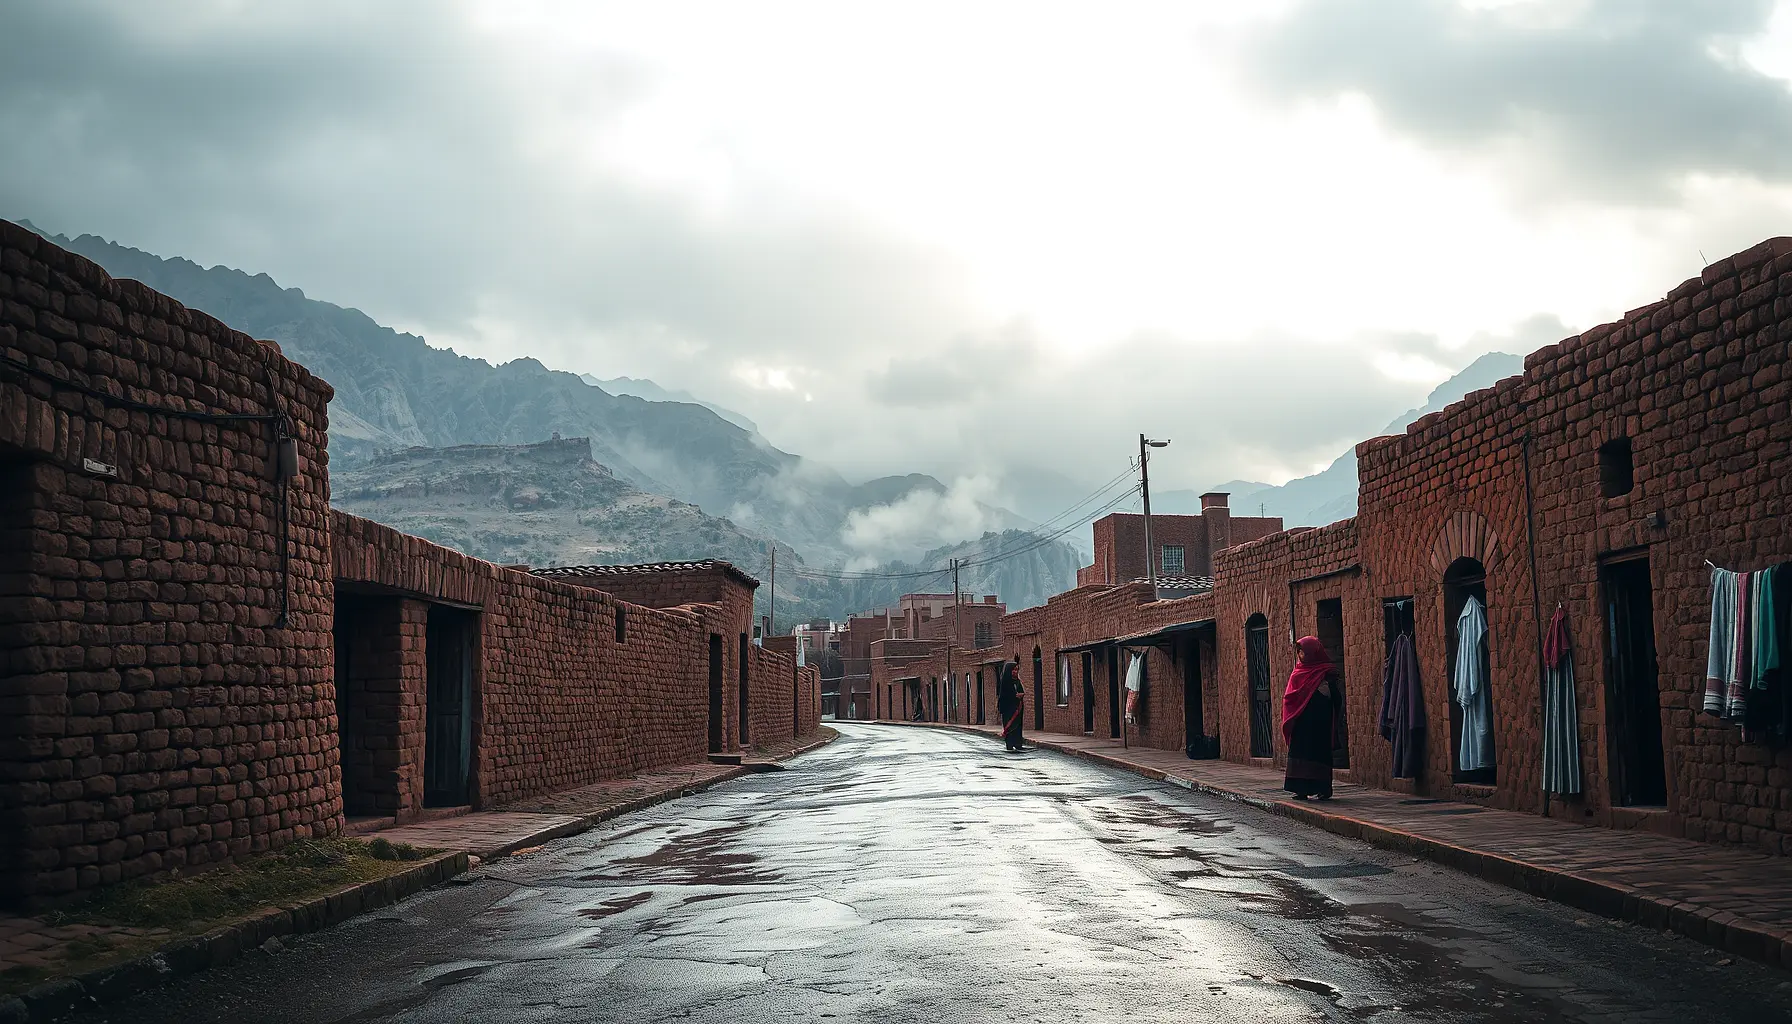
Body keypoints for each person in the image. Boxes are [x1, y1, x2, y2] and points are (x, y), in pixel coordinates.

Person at [1282, 636, 1342, 800]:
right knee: (1300, 755)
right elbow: (1290, 697)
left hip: (1320, 723)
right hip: (1301, 723)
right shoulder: (1298, 672)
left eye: (1304, 652)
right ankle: (1300, 788)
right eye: (1299, 652)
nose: (1301, 655)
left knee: (1319, 755)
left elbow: (1336, 698)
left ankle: (1322, 788)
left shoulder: (1326, 672)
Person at [998, 654, 1026, 751]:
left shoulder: (1017, 681)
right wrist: (1014, 696)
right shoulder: (1005, 682)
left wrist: (1021, 695)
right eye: (1013, 670)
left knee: (1018, 725)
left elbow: (1021, 691)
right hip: (1008, 709)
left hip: (1017, 708)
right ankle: (1009, 744)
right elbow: (1003, 696)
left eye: (1016, 670)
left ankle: (1018, 743)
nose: (1015, 672)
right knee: (1009, 726)